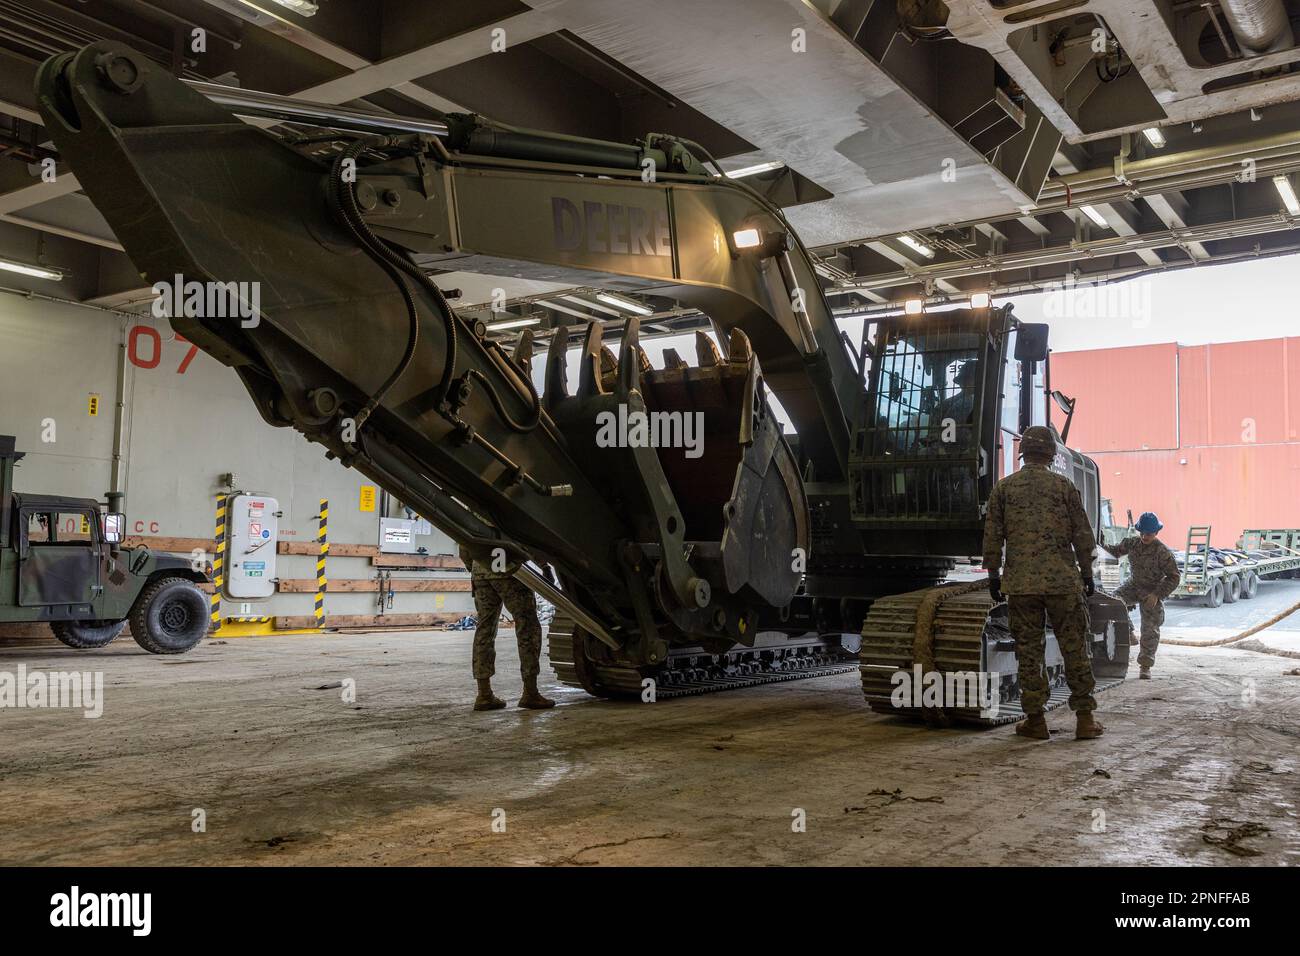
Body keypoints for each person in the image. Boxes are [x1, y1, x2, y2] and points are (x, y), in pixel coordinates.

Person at [982, 425, 1104, 741]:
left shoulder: (1004, 489)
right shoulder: (1063, 487)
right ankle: (1085, 720)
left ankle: (1035, 721)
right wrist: (1087, 573)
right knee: (1075, 649)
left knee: (1029, 653)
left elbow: (992, 536)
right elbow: (1083, 535)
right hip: (1063, 583)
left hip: (1022, 586)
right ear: (1050, 454)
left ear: (1023, 454)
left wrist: (994, 574)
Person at [458, 543, 554, 711]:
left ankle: (484, 694)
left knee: (484, 629)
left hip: (480, 570)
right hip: (508, 568)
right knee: (527, 627)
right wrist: (544, 565)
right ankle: (530, 692)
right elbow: (523, 539)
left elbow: (464, 545)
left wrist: (474, 566)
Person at [1102, 512, 1180, 679]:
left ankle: (1145, 666)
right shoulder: (1132, 543)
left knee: (1150, 628)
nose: (1145, 536)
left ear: (1156, 532)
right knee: (1113, 600)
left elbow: (1174, 577)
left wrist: (1157, 595)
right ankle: (1129, 631)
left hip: (1152, 589)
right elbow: (1114, 551)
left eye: (1149, 534)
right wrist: (1099, 544)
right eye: (1142, 533)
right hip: (1133, 584)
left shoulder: (1163, 552)